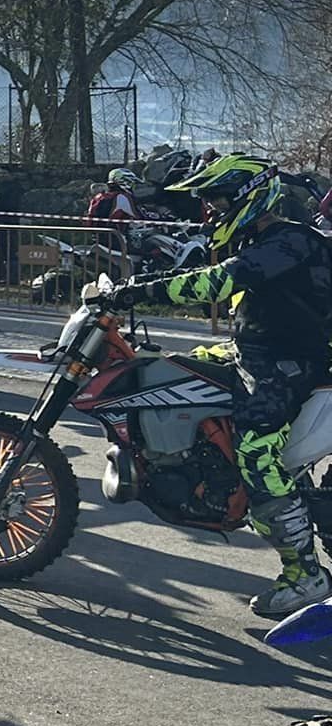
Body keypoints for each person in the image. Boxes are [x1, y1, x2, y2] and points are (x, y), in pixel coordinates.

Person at [102, 155, 332, 617]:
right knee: (177, 371)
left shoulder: (289, 241)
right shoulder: (265, 239)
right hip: (259, 354)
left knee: (257, 453)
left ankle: (303, 572)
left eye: (220, 200)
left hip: (293, 363)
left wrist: (138, 290)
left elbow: (218, 281)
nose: (212, 212)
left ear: (250, 198)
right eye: (209, 202)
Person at [86, 167, 140, 235]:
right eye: (130, 182)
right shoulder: (121, 197)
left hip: (97, 234)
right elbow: (138, 216)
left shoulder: (99, 196)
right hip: (114, 236)